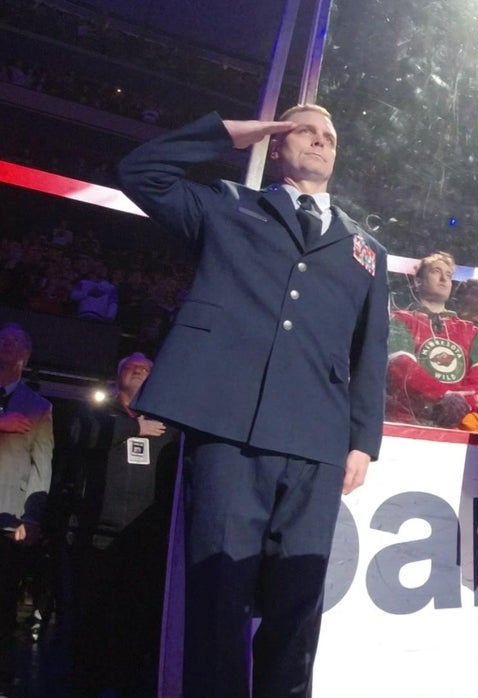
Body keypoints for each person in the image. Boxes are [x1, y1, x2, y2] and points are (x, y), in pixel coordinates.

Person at [117, 104, 390, 698]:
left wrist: (363, 441)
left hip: (317, 442)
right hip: (228, 432)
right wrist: (225, 134)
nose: (320, 141)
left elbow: (370, 350)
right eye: (306, 130)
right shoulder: (229, 205)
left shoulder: (366, 247)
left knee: (297, 610)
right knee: (217, 601)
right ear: (277, 140)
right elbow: (141, 173)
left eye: (330, 136)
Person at [68, 352, 180, 697]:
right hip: (97, 539)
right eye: (132, 366)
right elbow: (80, 436)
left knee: (136, 625)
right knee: (92, 621)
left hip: (145, 544)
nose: (139, 369)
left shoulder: (168, 424)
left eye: (146, 368)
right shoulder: (96, 415)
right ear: (117, 376)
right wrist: (134, 427)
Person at [0, 323, 53, 695]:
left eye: (13, 342)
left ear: (24, 356)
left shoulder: (39, 406)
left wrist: (32, 516)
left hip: (8, 515)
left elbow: (42, 465)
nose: (4, 344)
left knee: (3, 602)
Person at [387, 251, 478, 431]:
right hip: (407, 422)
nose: (444, 279)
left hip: (459, 423)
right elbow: (401, 364)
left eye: (449, 275)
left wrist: (464, 402)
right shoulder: (399, 320)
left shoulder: (470, 329)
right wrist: (443, 396)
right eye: (436, 272)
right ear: (418, 281)